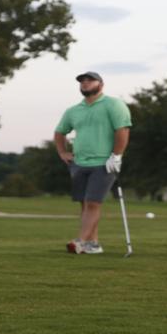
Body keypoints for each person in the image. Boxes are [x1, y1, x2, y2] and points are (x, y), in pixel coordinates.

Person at [54, 72, 131, 254]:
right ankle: (93, 244)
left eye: (90, 80)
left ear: (101, 84)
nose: (85, 83)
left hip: (104, 163)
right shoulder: (73, 110)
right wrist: (63, 152)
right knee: (84, 204)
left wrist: (117, 156)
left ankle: (80, 241)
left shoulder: (113, 104)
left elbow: (122, 131)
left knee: (93, 203)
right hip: (79, 163)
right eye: (82, 81)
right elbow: (59, 132)